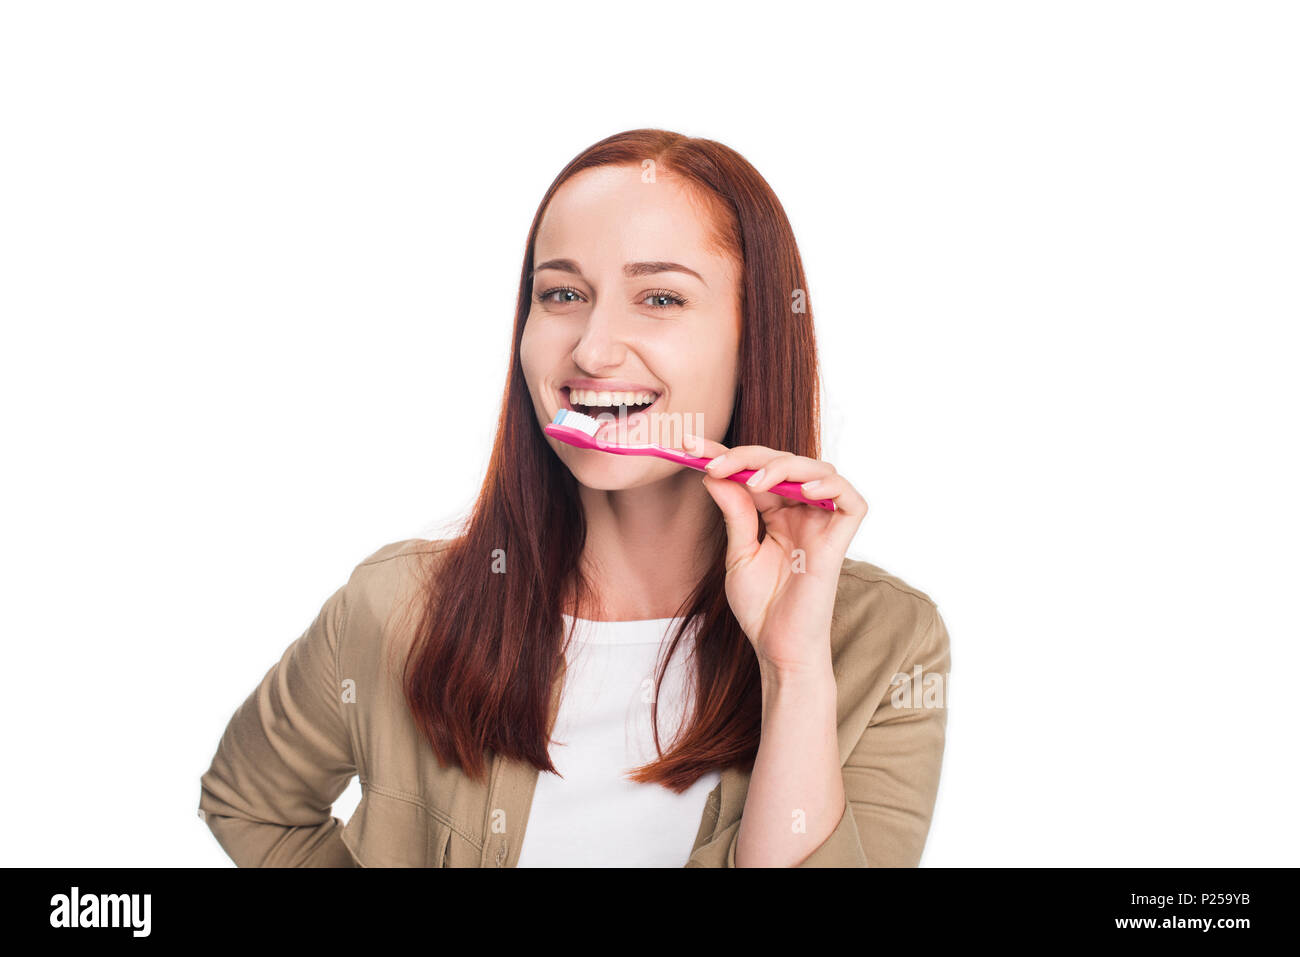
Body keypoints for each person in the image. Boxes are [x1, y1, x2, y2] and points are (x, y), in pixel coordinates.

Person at [198, 128, 951, 867]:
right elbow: (249, 803)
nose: (592, 350)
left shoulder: (887, 643)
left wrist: (793, 671)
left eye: (659, 297)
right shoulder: (393, 605)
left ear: (755, 339)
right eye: (562, 293)